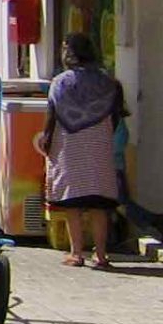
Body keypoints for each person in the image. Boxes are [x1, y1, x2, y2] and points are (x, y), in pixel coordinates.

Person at [37, 32, 124, 268]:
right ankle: (102, 255)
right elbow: (116, 116)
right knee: (99, 203)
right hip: (99, 143)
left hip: (69, 143)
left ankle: (77, 253)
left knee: (72, 202)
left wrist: (46, 137)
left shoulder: (60, 82)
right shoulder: (108, 82)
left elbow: (52, 114)